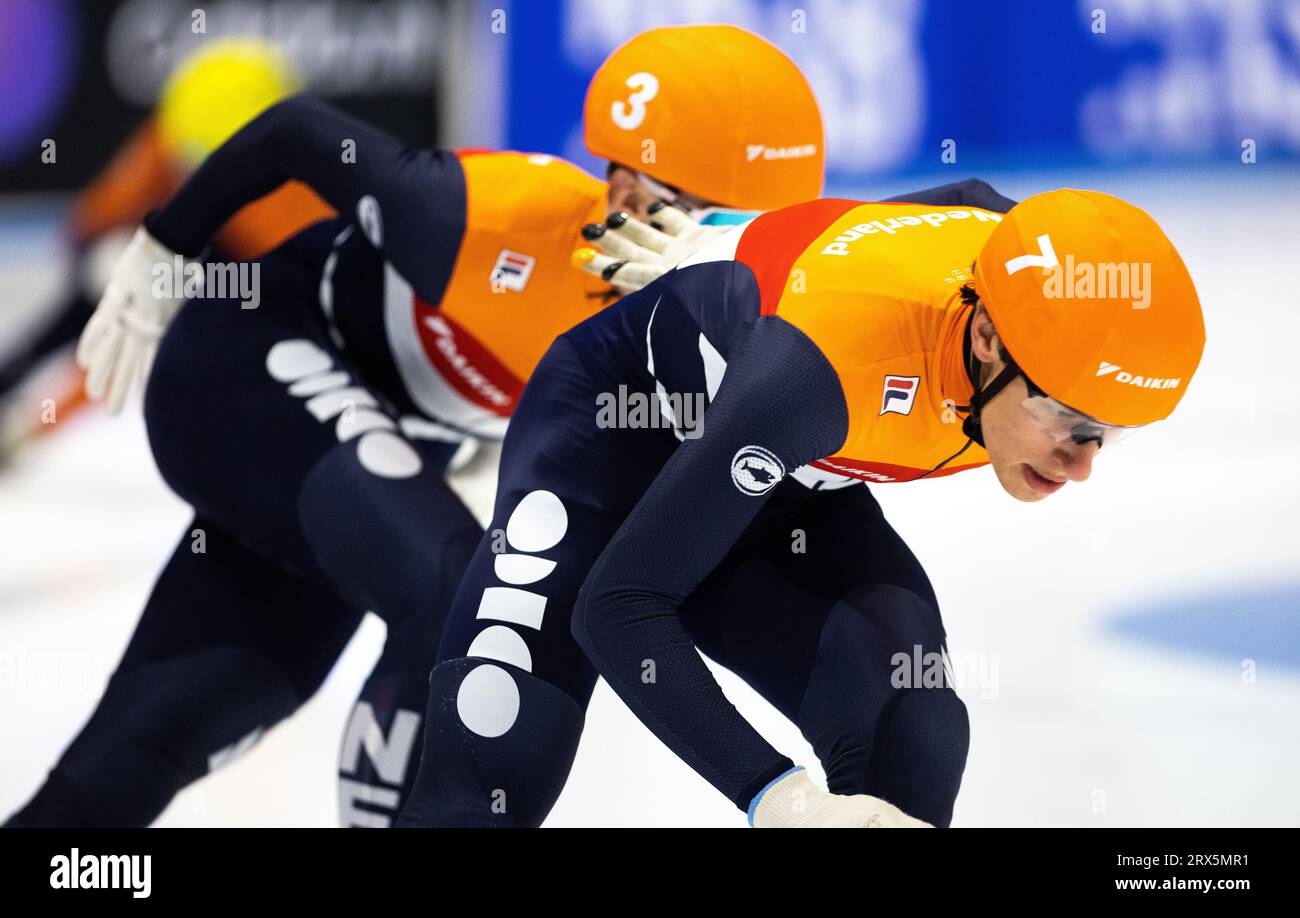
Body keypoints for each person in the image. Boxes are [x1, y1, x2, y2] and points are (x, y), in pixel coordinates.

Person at [8, 24, 857, 828]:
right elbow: (296, 133)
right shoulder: (492, 220)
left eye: (742, 234)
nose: (624, 204)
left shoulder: (755, 322)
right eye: (623, 176)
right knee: (458, 592)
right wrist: (164, 247)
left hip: (339, 454)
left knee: (160, 732)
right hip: (247, 362)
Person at [394, 189, 1205, 828]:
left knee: (912, 737)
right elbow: (619, 607)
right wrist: (780, 801)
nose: (1082, 463)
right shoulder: (818, 370)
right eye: (1068, 419)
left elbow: (949, 200)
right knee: (483, 782)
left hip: (781, 488)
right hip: (609, 445)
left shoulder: (1011, 256)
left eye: (1113, 435)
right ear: (988, 337)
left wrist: (731, 235)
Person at [0, 39, 331, 455]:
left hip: (254, 274)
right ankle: (18, 402)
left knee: (139, 327)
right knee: (105, 296)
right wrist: (93, 242)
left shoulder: (287, 208)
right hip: (204, 256)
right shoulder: (183, 124)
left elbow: (291, 282)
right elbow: (106, 208)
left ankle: (30, 427)